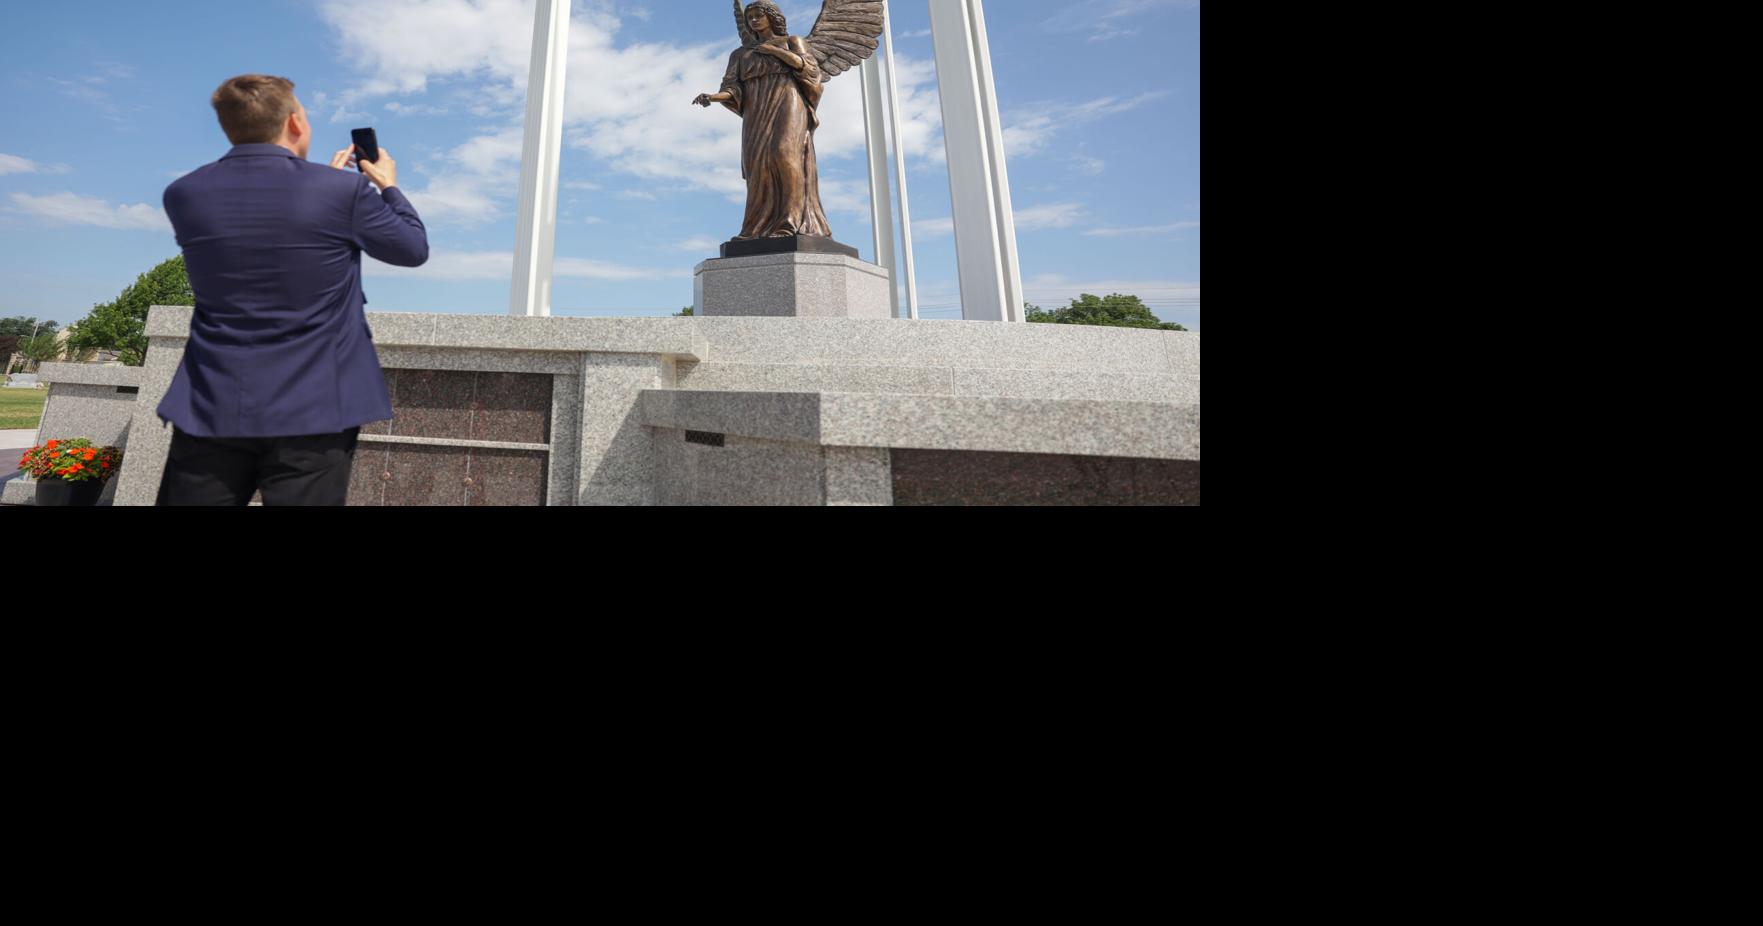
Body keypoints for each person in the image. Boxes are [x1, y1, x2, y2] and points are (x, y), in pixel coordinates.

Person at [155, 74, 427, 506]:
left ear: (229, 125)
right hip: (316, 407)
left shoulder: (184, 193)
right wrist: (386, 186)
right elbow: (411, 249)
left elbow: (272, 227)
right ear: (296, 123)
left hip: (211, 402)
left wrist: (327, 185)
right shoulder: (343, 191)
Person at [694, 1, 832, 240]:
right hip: (756, 110)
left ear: (772, 17)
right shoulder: (739, 54)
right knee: (756, 165)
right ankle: (756, 228)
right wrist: (713, 97)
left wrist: (774, 51)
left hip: (788, 101)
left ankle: (789, 223)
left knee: (784, 154)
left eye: (759, 15)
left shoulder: (793, 42)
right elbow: (733, 88)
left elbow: (810, 71)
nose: (754, 21)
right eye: (750, 17)